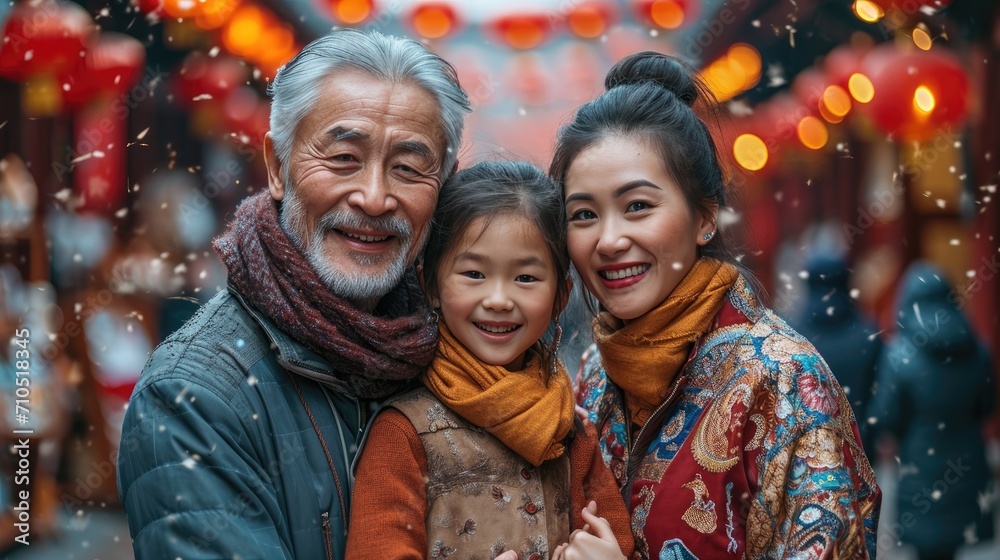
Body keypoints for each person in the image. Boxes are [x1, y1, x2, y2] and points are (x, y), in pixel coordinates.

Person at [116, 28, 470, 559]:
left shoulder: (460, 357)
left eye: (408, 168)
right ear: (278, 167)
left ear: (444, 184)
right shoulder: (194, 397)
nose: (375, 198)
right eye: (344, 158)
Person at [549, 51, 881, 559]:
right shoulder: (596, 371)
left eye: (637, 206)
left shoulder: (784, 380)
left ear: (705, 218)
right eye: (584, 214)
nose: (609, 240)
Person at [345, 161, 634, 560]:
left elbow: (618, 542)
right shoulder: (405, 433)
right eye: (474, 274)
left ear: (560, 298)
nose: (498, 300)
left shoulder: (568, 429)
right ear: (431, 285)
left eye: (526, 278)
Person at [868, 261, 995, 560]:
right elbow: (988, 406)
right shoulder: (978, 349)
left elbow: (886, 417)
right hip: (967, 466)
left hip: (919, 471)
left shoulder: (899, 354)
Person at [788, 253, 883, 462]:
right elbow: (881, 401)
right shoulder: (869, 334)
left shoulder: (790, 333)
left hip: (804, 456)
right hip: (858, 452)